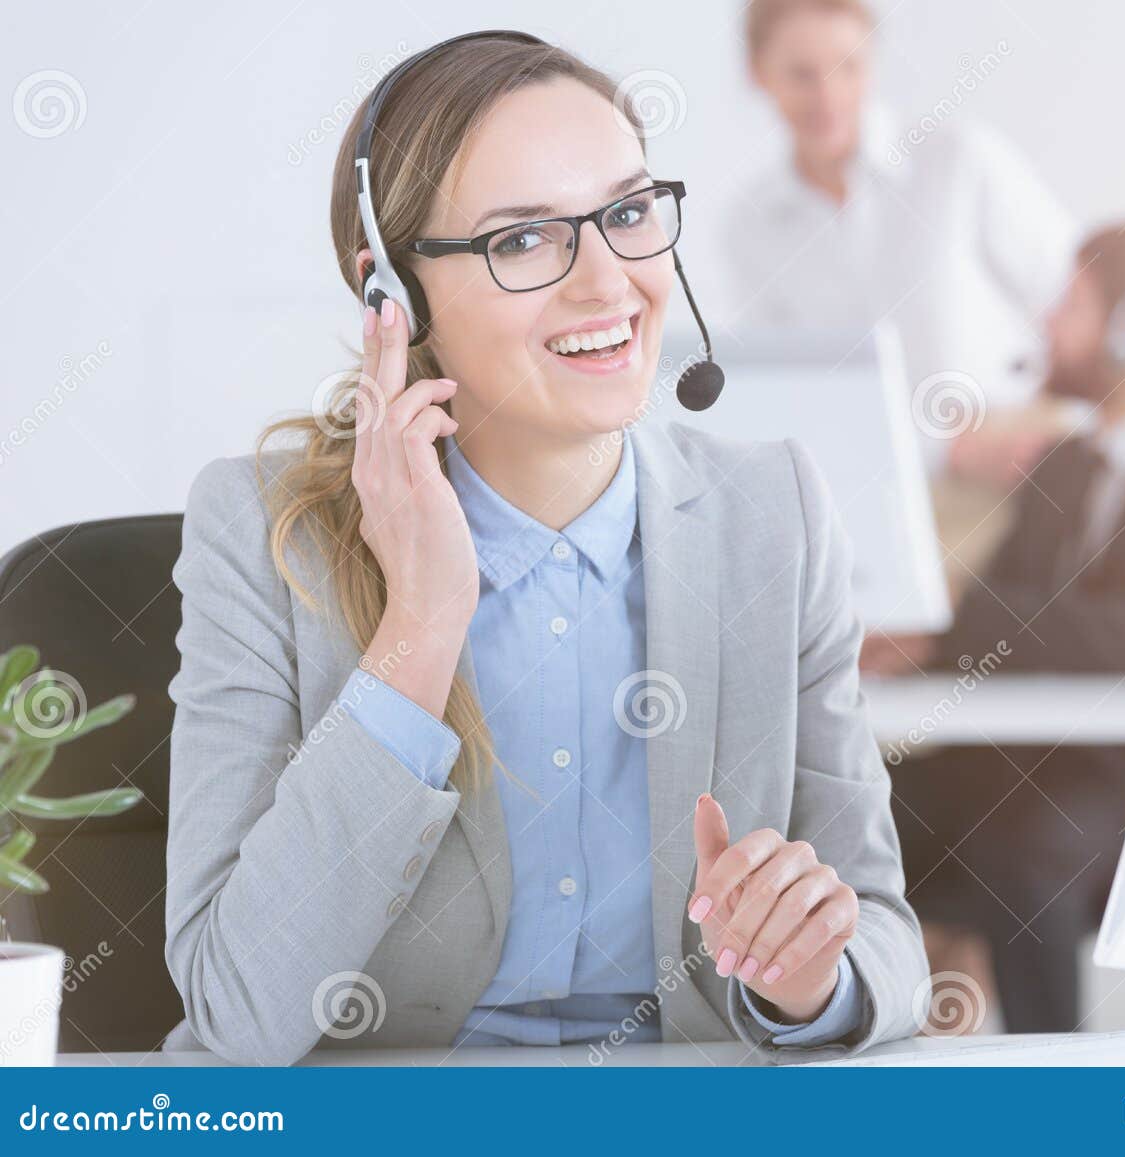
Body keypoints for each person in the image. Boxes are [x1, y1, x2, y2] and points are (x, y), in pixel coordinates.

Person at [161, 30, 927, 1066]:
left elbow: (881, 933)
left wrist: (808, 979)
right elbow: (238, 1018)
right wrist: (421, 622)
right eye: (523, 239)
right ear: (391, 289)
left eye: (625, 212)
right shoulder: (262, 533)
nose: (607, 282)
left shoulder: (769, 513)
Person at [862, 222, 1125, 1030]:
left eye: (1070, 304)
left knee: (1023, 854)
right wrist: (909, 646)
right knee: (854, 814)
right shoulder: (1064, 461)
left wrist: (952, 633)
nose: (1046, 326)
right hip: (1023, 759)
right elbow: (996, 612)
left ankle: (1060, 1105)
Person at [723, 0, 1081, 576]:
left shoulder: (956, 162)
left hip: (1021, 455)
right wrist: (945, 451)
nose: (828, 96)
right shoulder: (752, 226)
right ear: (758, 74)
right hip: (878, 481)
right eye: (801, 74)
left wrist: (1056, 433)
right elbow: (791, 395)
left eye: (848, 67)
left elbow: (1074, 300)